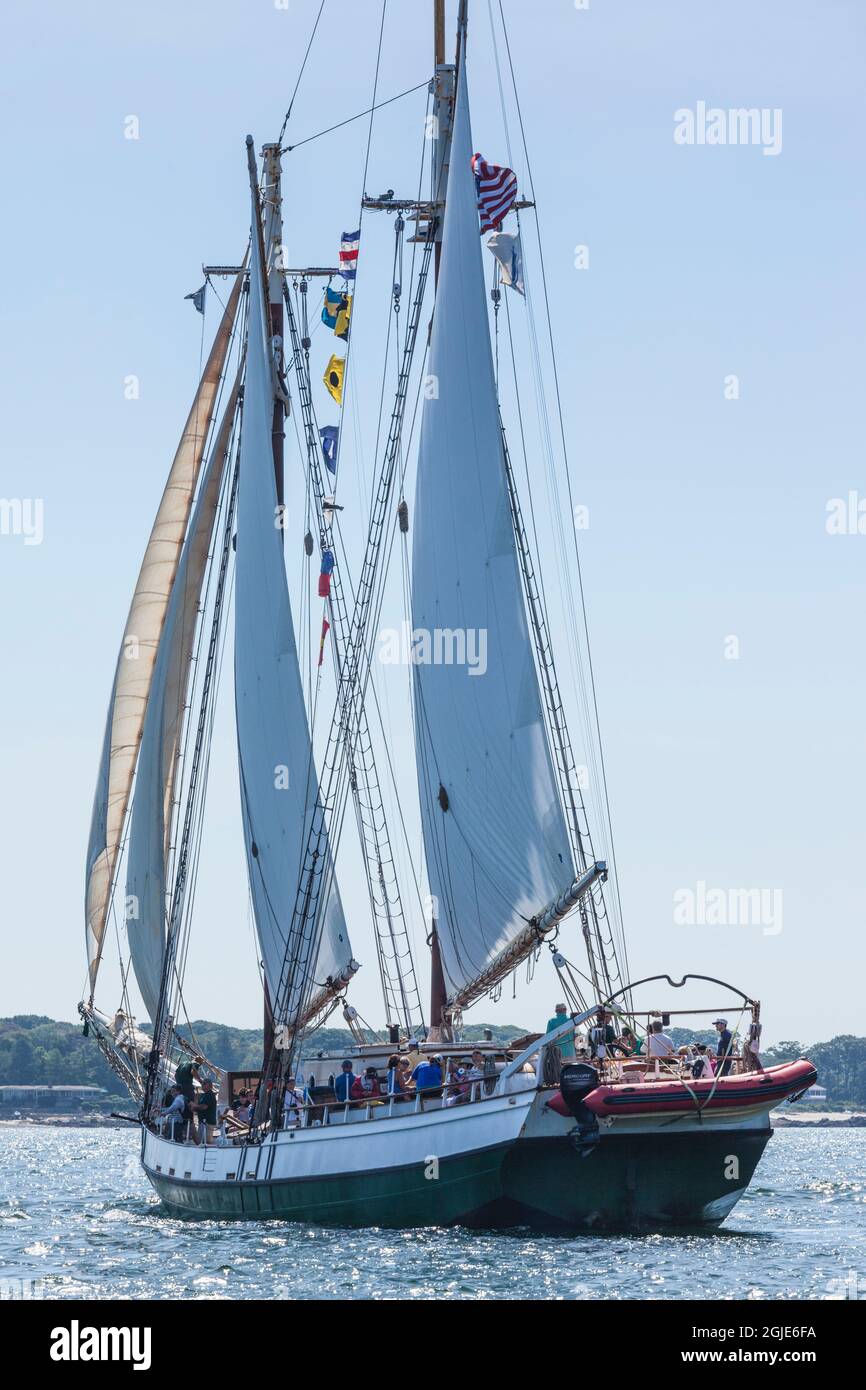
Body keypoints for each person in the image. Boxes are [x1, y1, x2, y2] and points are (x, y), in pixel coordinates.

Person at [193, 1077, 218, 1145]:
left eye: (204, 1083)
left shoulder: (210, 1095)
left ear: (210, 1085)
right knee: (201, 1141)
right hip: (202, 1122)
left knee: (207, 1142)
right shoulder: (203, 1095)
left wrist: (194, 1106)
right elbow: (197, 1108)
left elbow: (204, 1107)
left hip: (208, 1122)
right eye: (202, 1083)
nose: (202, 1085)